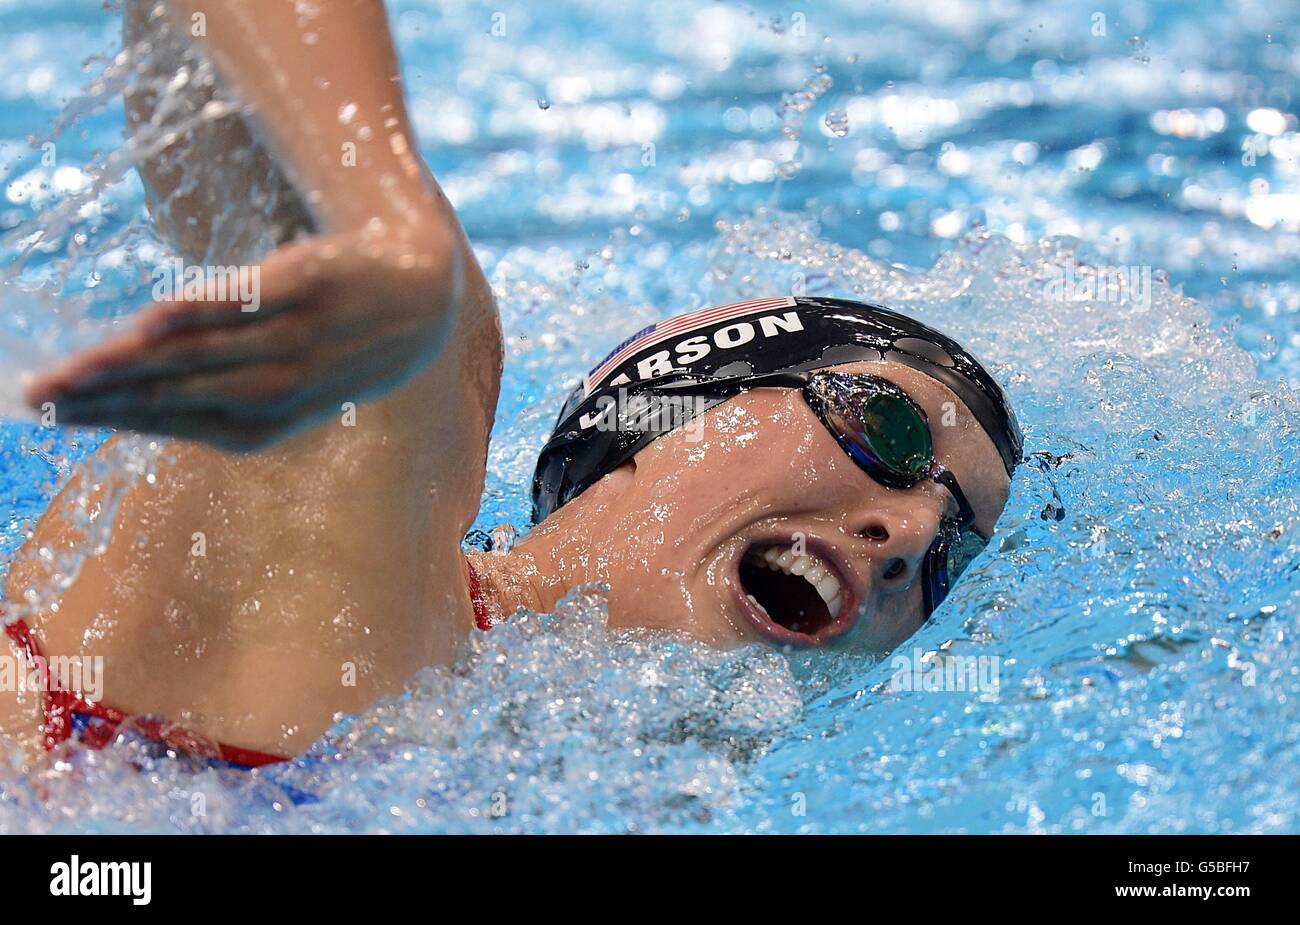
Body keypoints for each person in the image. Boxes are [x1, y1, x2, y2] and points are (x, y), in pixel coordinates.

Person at [0, 0, 1020, 770]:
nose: (916, 535)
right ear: (670, 409)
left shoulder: (508, 753)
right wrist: (383, 224)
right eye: (886, 428)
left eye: (955, 558)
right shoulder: (364, 497)